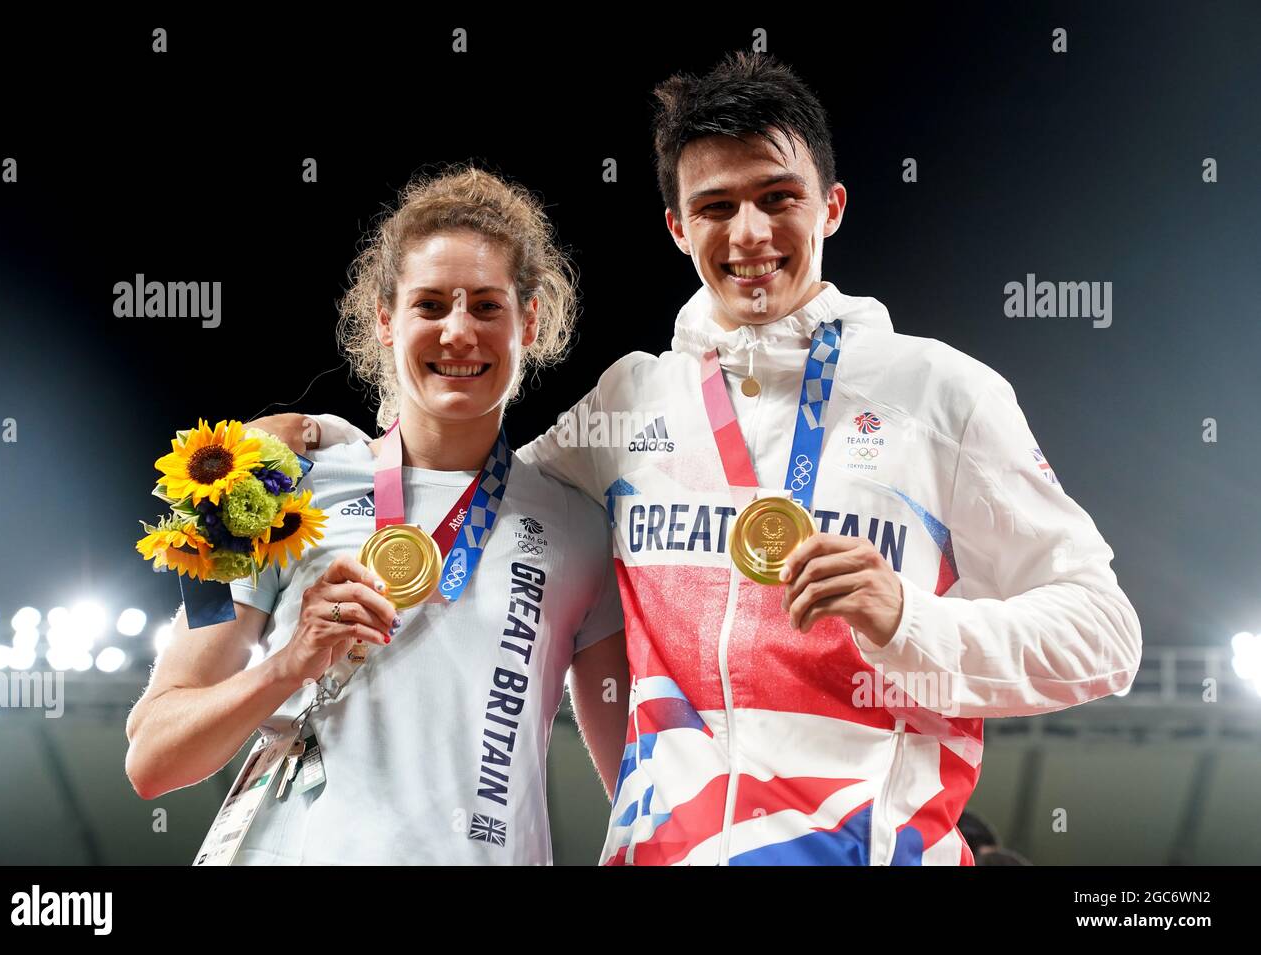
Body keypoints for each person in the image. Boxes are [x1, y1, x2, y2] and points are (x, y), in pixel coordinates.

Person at [268, 53, 1142, 866]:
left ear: (831, 206)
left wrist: (906, 617)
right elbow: (483, 488)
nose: (750, 231)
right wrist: (332, 447)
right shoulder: (633, 400)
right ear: (679, 228)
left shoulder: (942, 394)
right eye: (717, 207)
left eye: (778, 197)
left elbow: (1105, 635)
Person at [125, 166, 630, 865]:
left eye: (487, 306)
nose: (459, 331)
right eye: (430, 305)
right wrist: (289, 664)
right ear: (387, 319)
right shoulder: (275, 489)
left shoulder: (578, 528)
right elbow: (152, 755)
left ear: (530, 321)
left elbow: (636, 790)